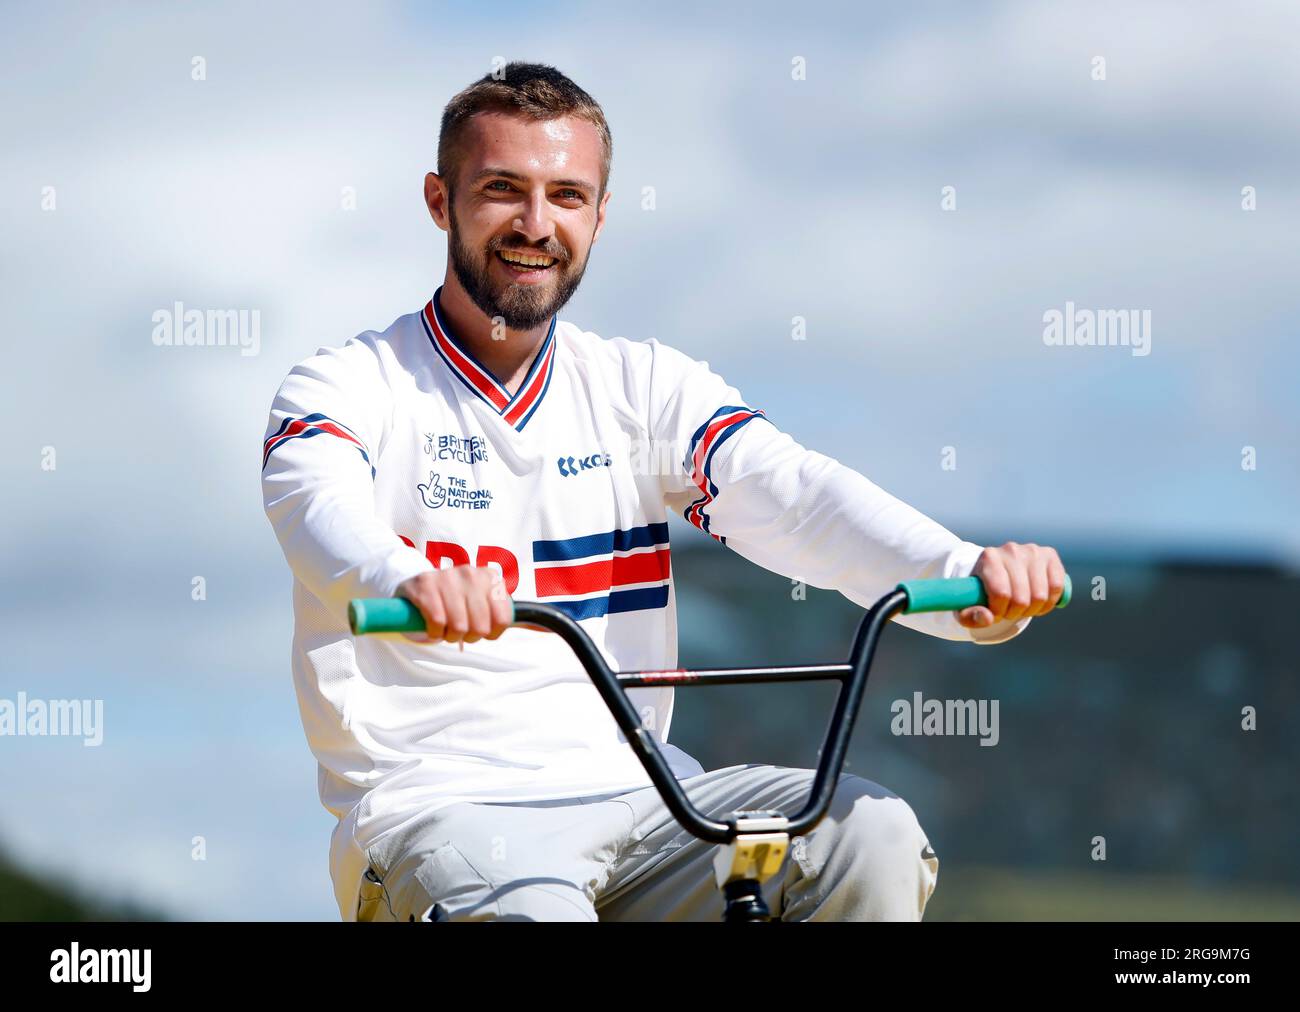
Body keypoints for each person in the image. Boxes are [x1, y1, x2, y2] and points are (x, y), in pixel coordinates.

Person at [261, 62, 1066, 922]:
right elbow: (317, 509)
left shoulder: (643, 388)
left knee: (870, 839)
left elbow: (796, 496)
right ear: (438, 200)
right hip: (442, 809)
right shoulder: (347, 386)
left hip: (649, 800)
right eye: (503, 189)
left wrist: (967, 574)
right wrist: (404, 579)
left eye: (568, 196)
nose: (537, 224)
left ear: (600, 215)